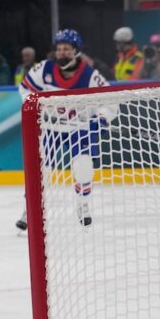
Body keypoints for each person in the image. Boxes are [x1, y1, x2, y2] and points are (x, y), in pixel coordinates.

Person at [16, 29, 110, 230]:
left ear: (76, 51)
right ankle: (29, 210)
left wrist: (101, 119)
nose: (62, 53)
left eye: (66, 49)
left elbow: (110, 102)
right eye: (59, 49)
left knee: (83, 167)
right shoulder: (44, 69)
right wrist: (35, 106)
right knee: (40, 170)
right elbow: (25, 89)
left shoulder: (90, 75)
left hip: (79, 129)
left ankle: (83, 206)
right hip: (51, 128)